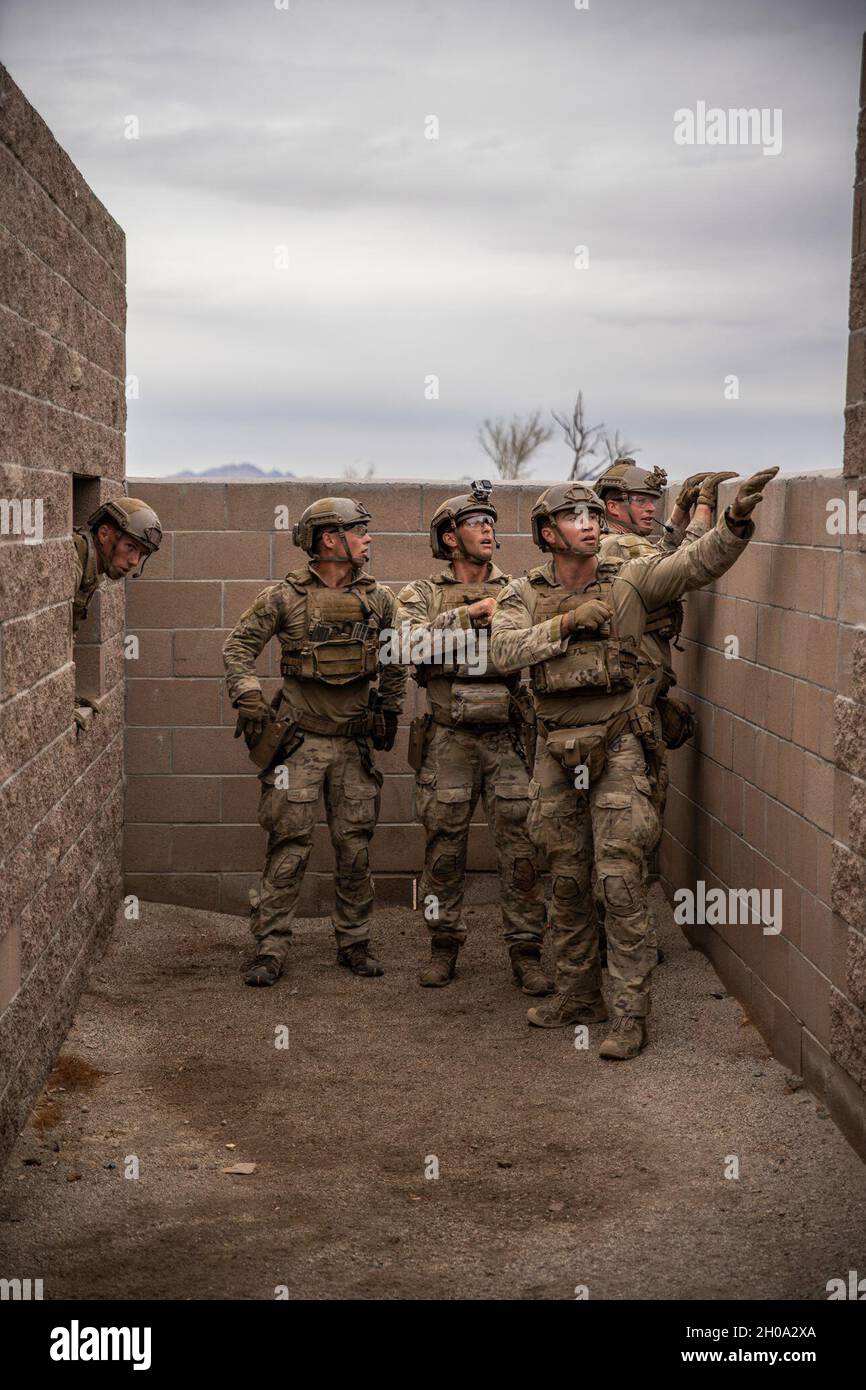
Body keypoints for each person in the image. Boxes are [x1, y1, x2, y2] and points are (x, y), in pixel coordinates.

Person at [489, 468, 778, 1059]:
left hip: (620, 744)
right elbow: (501, 651)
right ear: (547, 533)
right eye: (573, 517)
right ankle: (578, 997)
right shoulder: (523, 592)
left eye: (594, 516)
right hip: (555, 751)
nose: (588, 525)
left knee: (619, 880)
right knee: (565, 878)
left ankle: (629, 1015)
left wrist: (733, 521)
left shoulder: (630, 580)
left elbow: (695, 564)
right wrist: (565, 624)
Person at [223, 497, 406, 986]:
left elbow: (395, 659)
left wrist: (390, 709)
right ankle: (270, 947)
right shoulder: (284, 598)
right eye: (359, 530)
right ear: (329, 538)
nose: (368, 538)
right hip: (299, 744)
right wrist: (247, 694)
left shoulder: (380, 600)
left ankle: (355, 941)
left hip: (354, 745)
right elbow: (238, 647)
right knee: (288, 847)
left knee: (355, 849)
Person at [394, 483, 550, 993]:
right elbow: (404, 645)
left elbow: (538, 643)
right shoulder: (422, 594)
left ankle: (527, 951)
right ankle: (443, 945)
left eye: (490, 522)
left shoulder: (519, 589)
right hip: (449, 739)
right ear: (449, 537)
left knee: (522, 849)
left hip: (508, 738)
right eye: (476, 522)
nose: (488, 529)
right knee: (443, 851)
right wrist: (468, 615)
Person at [72, 496, 163, 636]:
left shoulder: (90, 566)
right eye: (130, 547)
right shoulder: (72, 561)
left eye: (141, 554)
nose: (135, 561)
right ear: (104, 534)